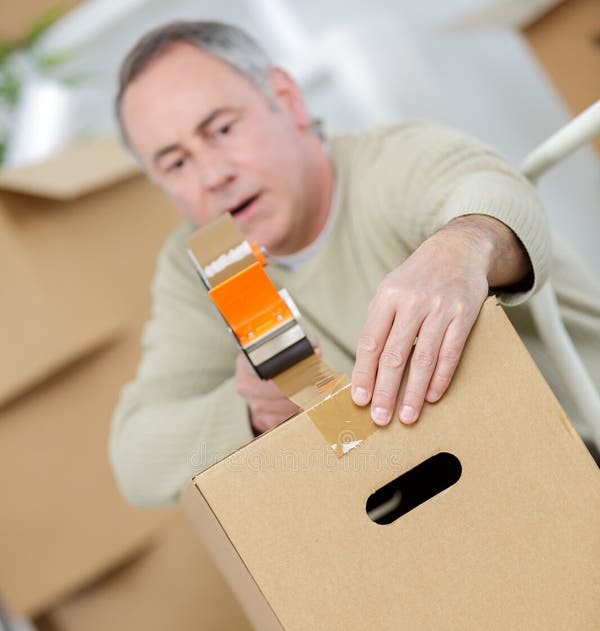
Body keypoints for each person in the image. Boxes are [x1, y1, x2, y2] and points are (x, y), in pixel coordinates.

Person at [109, 20, 600, 508]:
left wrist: (463, 247)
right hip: (455, 516)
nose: (213, 175)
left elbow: (493, 191)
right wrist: (250, 411)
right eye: (176, 163)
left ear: (286, 99)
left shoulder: (386, 163)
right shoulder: (209, 262)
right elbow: (137, 460)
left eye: (221, 129)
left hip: (581, 455)